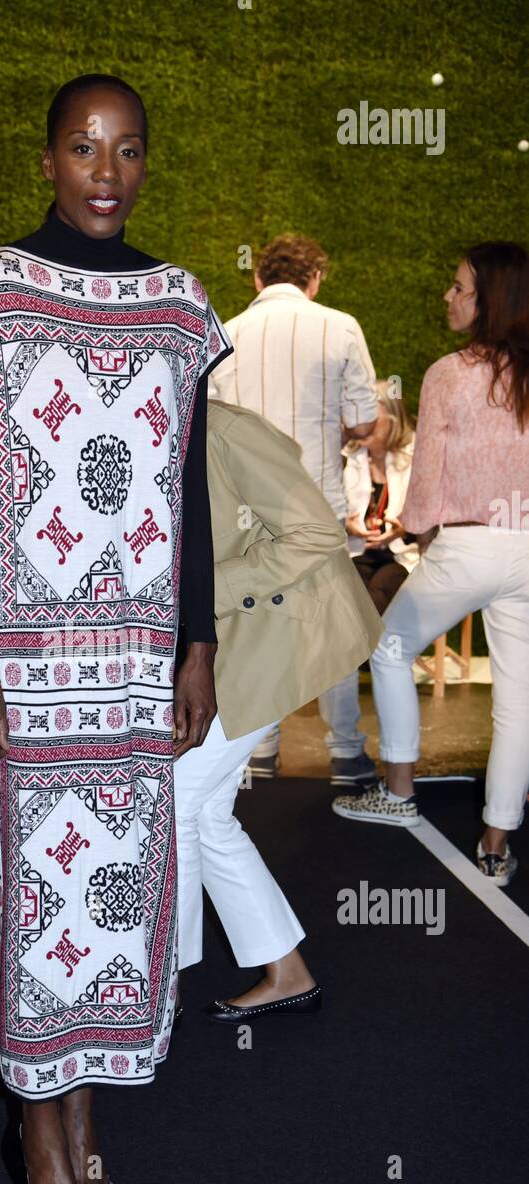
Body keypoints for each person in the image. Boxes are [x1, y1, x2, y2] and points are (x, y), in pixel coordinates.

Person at [0, 74, 230, 1184]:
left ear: (145, 164)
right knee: (39, 901)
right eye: (83, 147)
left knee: (118, 896)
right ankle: (40, 1140)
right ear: (47, 157)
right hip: (27, 665)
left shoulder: (178, 307)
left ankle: (87, 1106)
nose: (106, 171)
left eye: (128, 150)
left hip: (133, 664)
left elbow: (187, 497)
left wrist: (197, 644)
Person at [175, 400, 382, 1017]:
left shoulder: (226, 429)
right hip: (244, 638)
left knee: (179, 798)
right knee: (206, 811)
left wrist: (201, 588)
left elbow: (316, 532)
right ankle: (286, 971)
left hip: (283, 633)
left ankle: (160, 988)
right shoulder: (166, 431)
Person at [333, 242, 529, 888]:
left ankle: (397, 789)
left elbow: (427, 497)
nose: (448, 296)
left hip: (469, 545)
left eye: (459, 288)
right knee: (519, 701)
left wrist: (409, 529)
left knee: (388, 645)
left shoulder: (448, 373)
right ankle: (497, 843)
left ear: (489, 302)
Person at [209, 234, 380, 786]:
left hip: (244, 510)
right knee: (330, 628)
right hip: (316, 502)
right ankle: (347, 752)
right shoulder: (340, 326)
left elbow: (213, 424)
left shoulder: (229, 332)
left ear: (258, 279)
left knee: (256, 627)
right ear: (315, 279)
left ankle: (259, 752)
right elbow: (365, 421)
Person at [344, 380, 419, 614]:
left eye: (372, 418)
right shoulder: (346, 456)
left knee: (379, 593)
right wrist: (344, 524)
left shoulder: (416, 458)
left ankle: (362, 650)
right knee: (349, 591)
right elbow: (323, 514)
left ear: (394, 420)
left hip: (400, 556)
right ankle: (374, 650)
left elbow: (433, 521)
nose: (362, 426)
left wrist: (405, 528)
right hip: (356, 552)